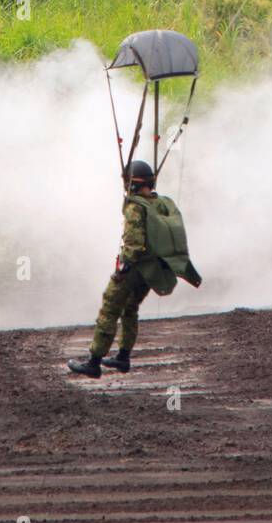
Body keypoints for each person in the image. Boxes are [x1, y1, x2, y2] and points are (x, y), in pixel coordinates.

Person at [67, 159, 201, 378]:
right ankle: (123, 357)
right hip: (153, 271)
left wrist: (123, 268)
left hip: (136, 267)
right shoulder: (163, 203)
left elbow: (134, 243)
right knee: (130, 308)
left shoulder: (135, 206)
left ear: (133, 184)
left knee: (110, 308)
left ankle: (94, 362)